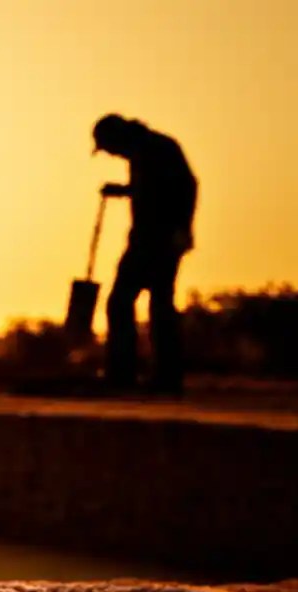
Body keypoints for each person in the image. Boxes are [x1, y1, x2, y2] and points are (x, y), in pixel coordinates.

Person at [93, 114, 198, 396]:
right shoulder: (142, 152)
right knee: (137, 302)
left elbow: (187, 187)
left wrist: (182, 229)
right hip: (143, 237)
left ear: (118, 138)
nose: (112, 154)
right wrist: (123, 190)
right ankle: (135, 374)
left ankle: (151, 376)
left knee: (145, 303)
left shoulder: (159, 148)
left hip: (160, 238)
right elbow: (151, 189)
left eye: (110, 148)